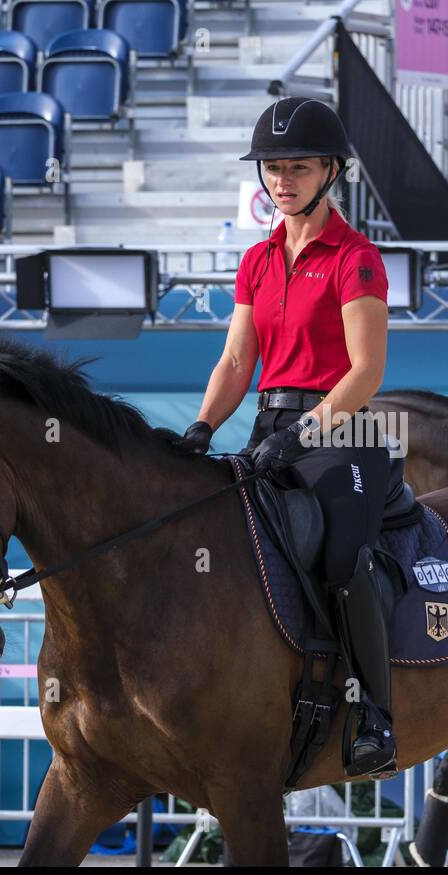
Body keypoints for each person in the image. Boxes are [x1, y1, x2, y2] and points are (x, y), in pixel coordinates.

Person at [169, 97, 398, 778]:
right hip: (269, 426)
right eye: (272, 168)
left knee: (342, 558)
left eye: (297, 167)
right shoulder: (257, 260)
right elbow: (238, 361)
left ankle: (374, 717)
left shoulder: (357, 260)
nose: (282, 180)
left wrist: (302, 436)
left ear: (331, 171)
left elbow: (367, 371)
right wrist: (203, 426)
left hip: (343, 435)